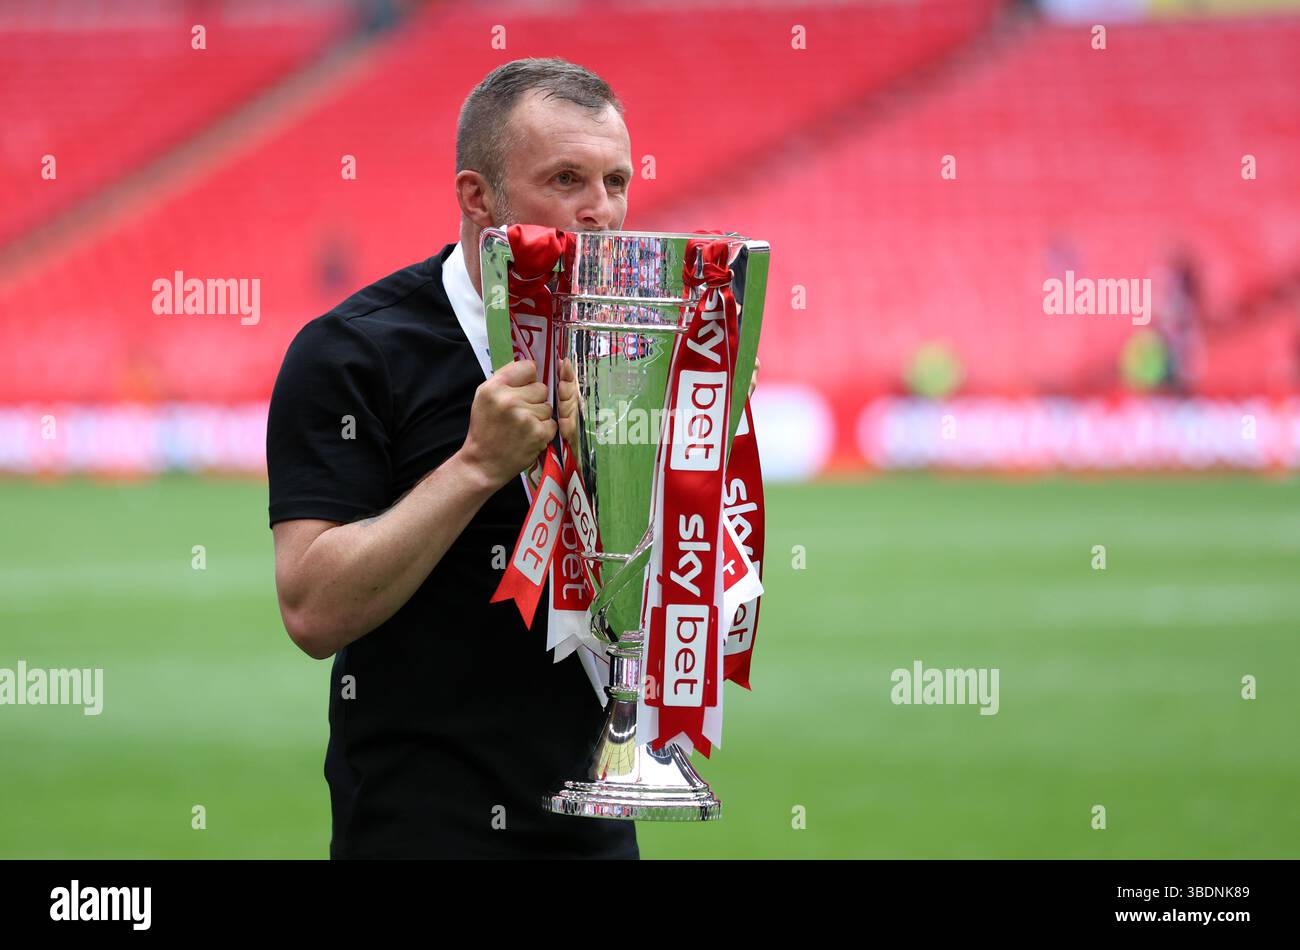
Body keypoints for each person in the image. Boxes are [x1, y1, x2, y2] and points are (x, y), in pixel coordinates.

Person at [266, 58, 640, 859]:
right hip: (422, 827)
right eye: (567, 178)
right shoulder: (354, 354)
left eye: (616, 180)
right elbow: (312, 610)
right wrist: (477, 466)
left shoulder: (641, 351)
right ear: (478, 197)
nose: (599, 211)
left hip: (601, 822)